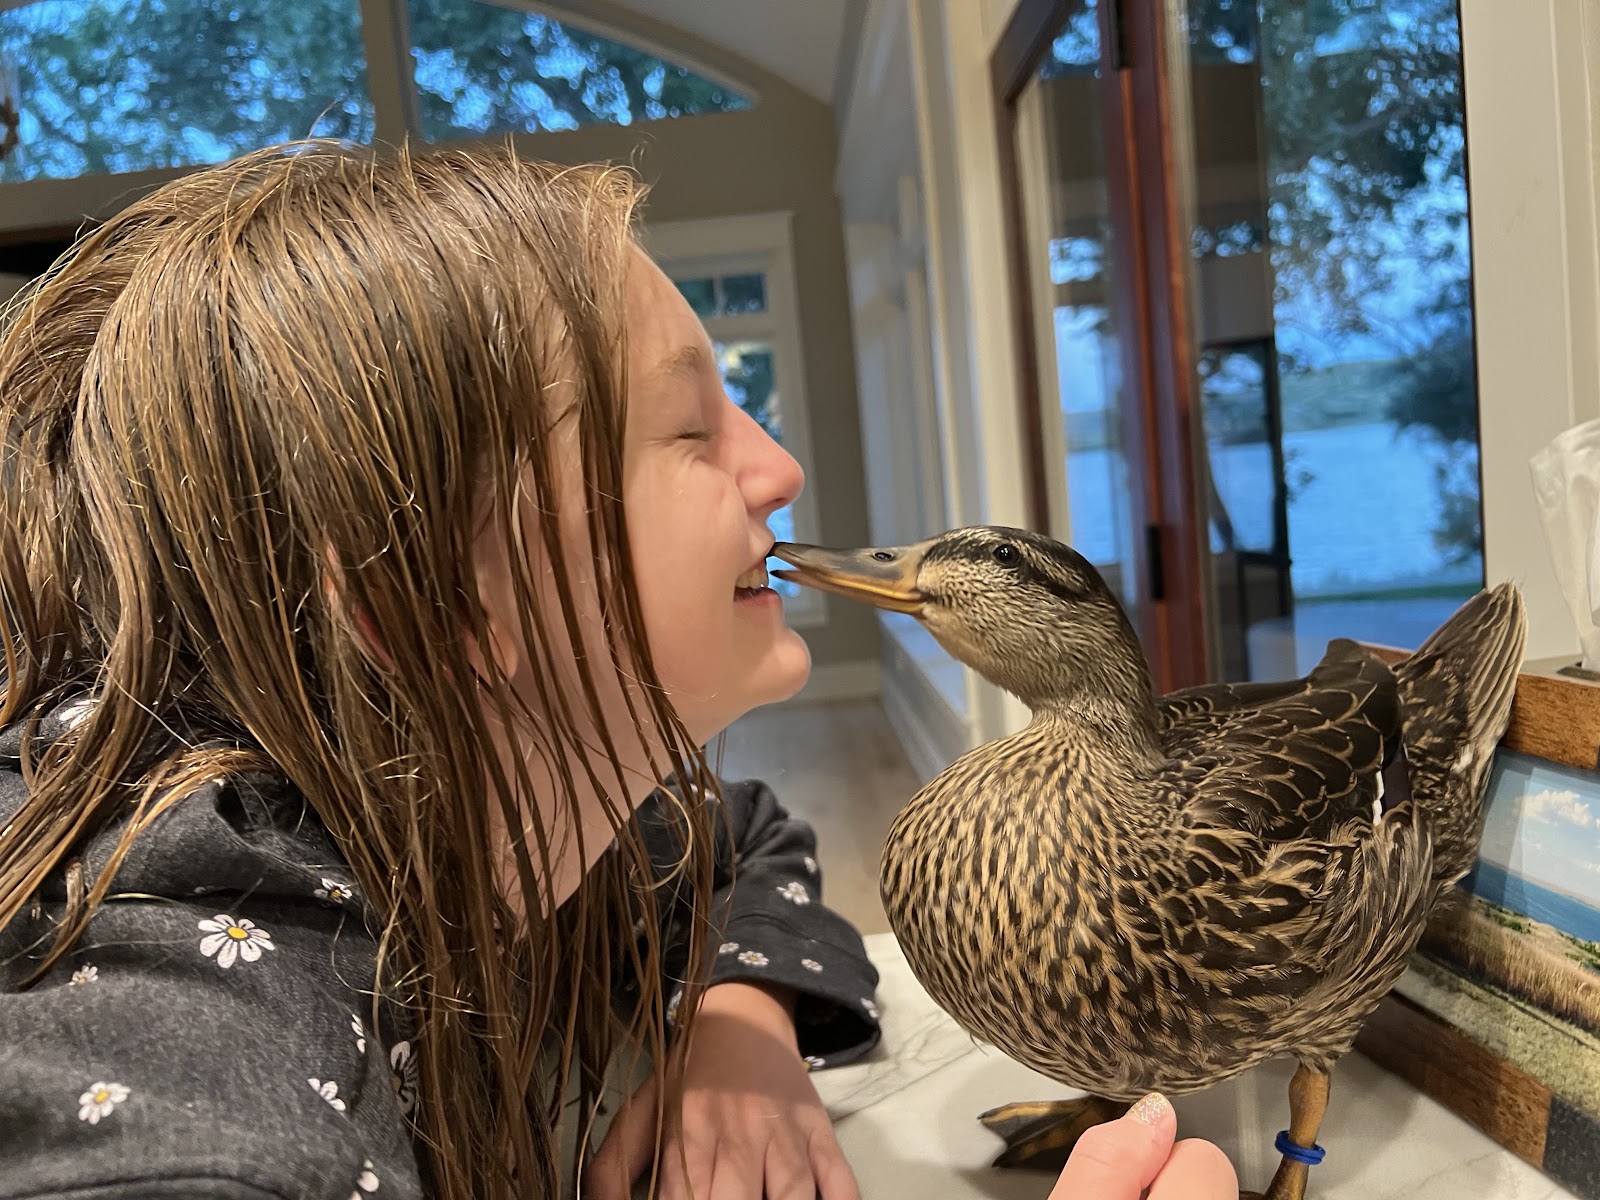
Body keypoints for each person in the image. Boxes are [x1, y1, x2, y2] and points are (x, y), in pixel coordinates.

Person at [0, 140, 1234, 1200]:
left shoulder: (475, 800)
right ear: (430, 602)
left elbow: (741, 840)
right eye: (692, 426)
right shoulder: (212, 1122)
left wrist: (739, 1023)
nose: (781, 469)